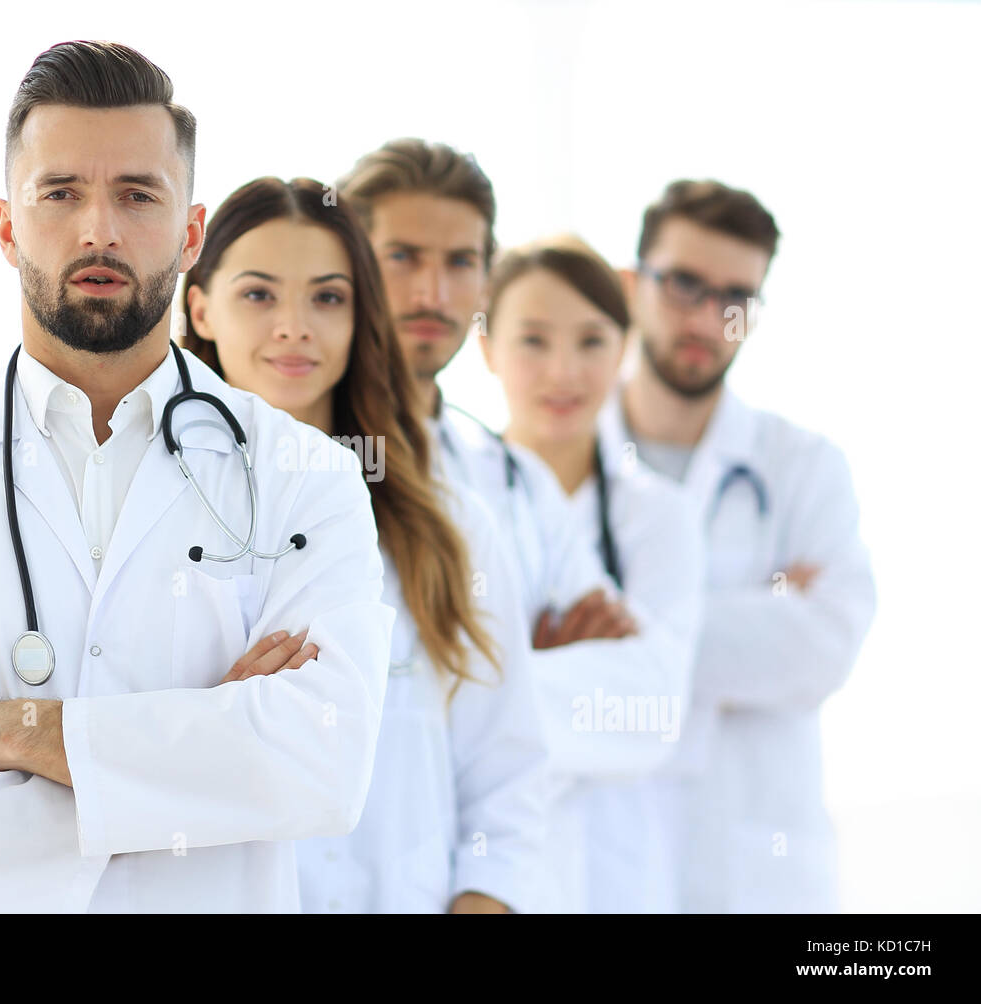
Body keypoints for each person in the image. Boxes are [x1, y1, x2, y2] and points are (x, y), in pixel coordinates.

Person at [0, 41, 395, 914]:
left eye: (137, 195)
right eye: (61, 193)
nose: (99, 230)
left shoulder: (308, 479)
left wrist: (7, 728)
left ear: (191, 233)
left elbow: (324, 766)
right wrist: (203, 757)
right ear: (7, 227)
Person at [337, 139, 695, 912]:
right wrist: (505, 668)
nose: (433, 290)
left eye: (461, 262)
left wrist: (470, 688)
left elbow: (649, 709)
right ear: (350, 263)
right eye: (402, 256)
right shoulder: (293, 461)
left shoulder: (515, 482)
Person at [182, 176, 550, 913]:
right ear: (201, 309)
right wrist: (216, 728)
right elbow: (117, 770)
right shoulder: (150, 524)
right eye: (258, 295)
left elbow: (509, 790)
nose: (294, 327)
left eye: (327, 297)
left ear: (360, 320)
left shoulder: (448, 529)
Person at [613, 179, 876, 912]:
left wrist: (631, 629)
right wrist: (754, 609)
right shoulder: (561, 464)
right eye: (684, 284)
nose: (706, 316)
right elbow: (536, 656)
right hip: (604, 863)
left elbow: (826, 645)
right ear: (633, 286)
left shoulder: (804, 466)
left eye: (734, 298)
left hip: (757, 878)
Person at [479, 234, 703, 912]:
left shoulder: (659, 515)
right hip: (483, 869)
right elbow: (422, 703)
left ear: (625, 348)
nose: (564, 372)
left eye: (592, 341)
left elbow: (654, 709)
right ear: (486, 347)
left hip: (619, 873)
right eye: (534, 341)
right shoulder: (449, 501)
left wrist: (499, 670)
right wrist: (562, 667)